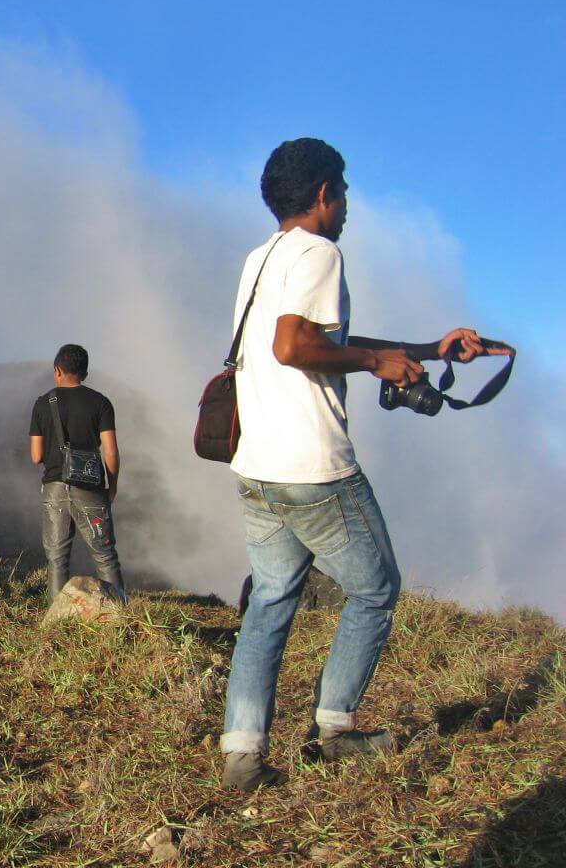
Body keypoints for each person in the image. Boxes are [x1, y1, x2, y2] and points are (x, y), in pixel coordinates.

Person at [218, 138, 510, 791]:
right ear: (325, 193)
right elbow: (294, 346)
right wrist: (379, 364)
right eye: (343, 191)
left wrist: (430, 349)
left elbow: (322, 341)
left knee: (270, 599)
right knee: (376, 588)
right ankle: (335, 730)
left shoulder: (261, 259)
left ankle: (242, 754)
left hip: (256, 464)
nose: (347, 205)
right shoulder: (322, 252)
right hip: (312, 466)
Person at [28, 343, 123, 604]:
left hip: (55, 487)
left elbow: (36, 456)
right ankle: (120, 614)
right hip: (91, 488)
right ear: (85, 372)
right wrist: (111, 487)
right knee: (105, 555)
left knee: (57, 558)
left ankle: (57, 620)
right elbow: (111, 452)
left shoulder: (42, 404)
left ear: (57, 370)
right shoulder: (101, 403)